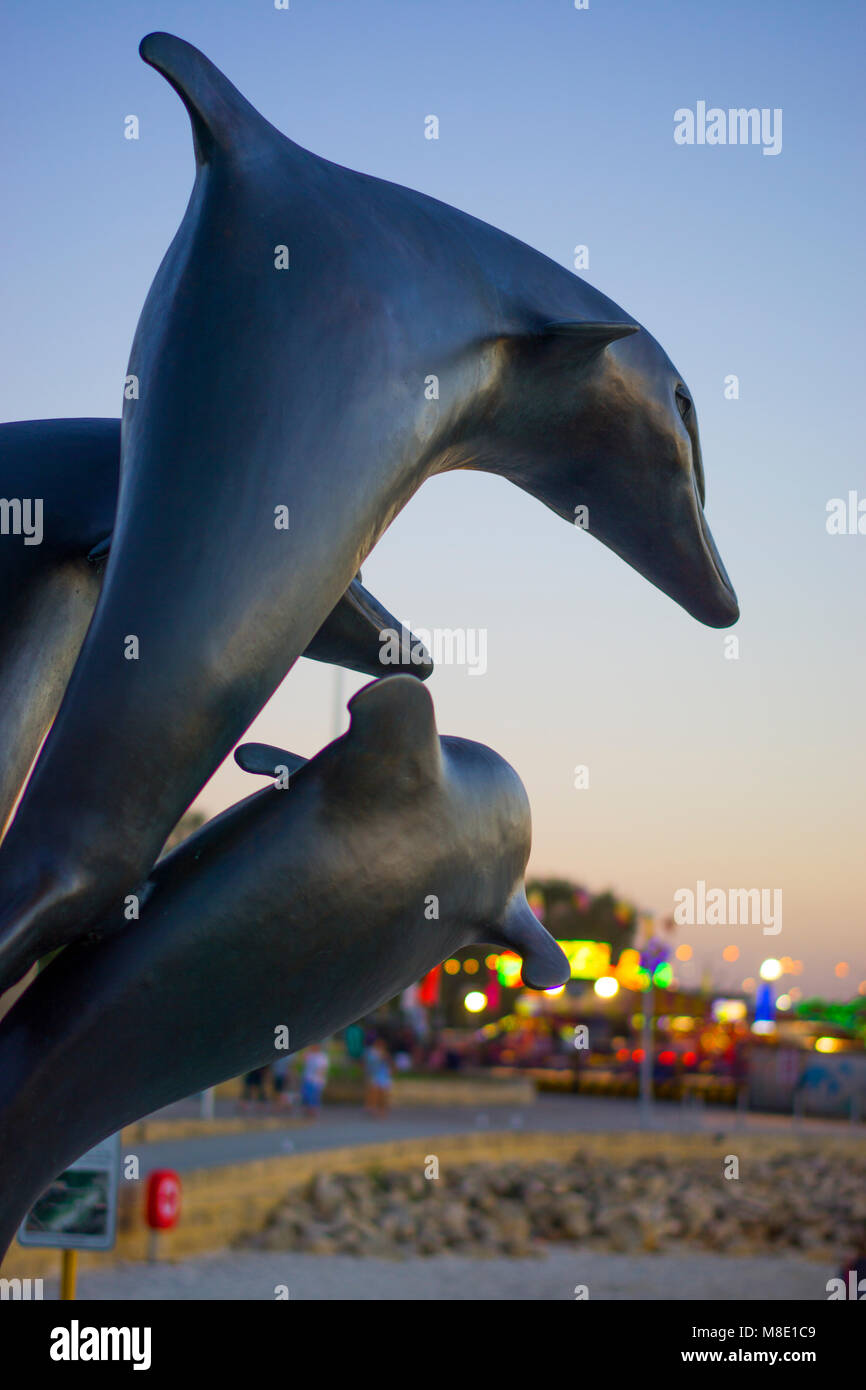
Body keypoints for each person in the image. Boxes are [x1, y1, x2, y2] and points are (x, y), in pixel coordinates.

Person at [364, 1038, 392, 1117]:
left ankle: (382, 1110)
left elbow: (389, 1063)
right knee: (373, 1092)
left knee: (383, 1093)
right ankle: (371, 1108)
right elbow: (370, 1064)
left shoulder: (384, 1053)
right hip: (375, 1074)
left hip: (383, 1075)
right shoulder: (371, 1052)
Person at [300, 1043, 329, 1117]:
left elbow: (323, 1069)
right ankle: (308, 1111)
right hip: (307, 1078)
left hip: (316, 1080)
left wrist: (318, 1079)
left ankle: (313, 1111)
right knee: (306, 1096)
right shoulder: (310, 1055)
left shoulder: (322, 1056)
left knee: (313, 1097)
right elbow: (303, 1058)